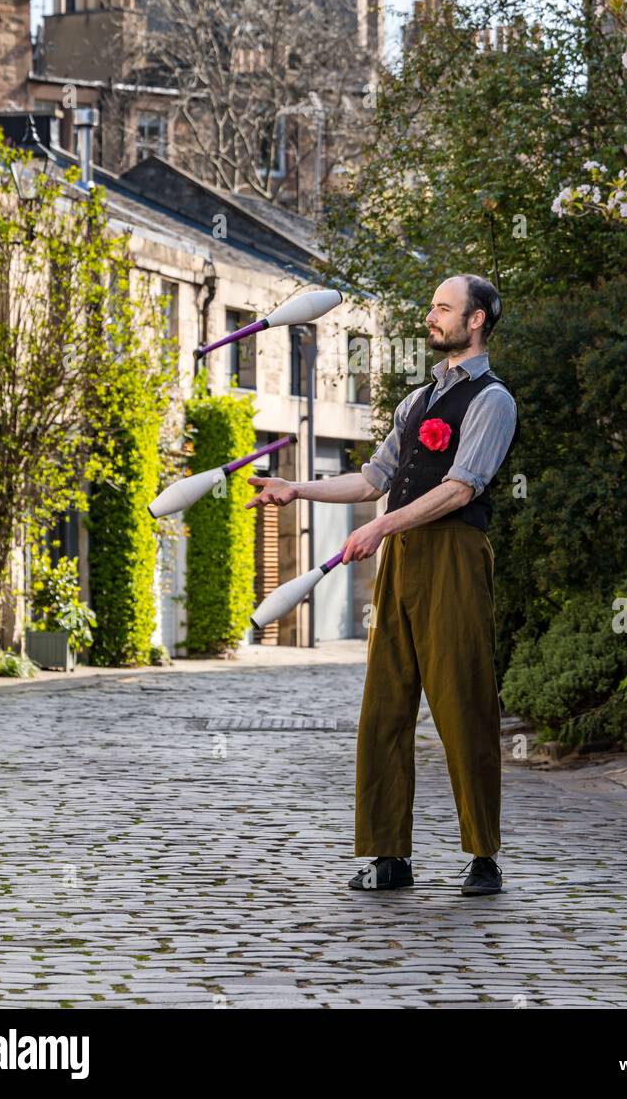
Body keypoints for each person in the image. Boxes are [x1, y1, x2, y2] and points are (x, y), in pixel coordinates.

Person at [245, 274, 518, 896]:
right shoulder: (416, 401)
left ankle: (482, 855)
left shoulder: (492, 400)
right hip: (401, 560)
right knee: (384, 709)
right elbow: (373, 480)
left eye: (444, 308)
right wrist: (298, 490)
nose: (432, 316)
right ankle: (388, 854)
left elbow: (461, 487)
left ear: (476, 321)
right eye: (432, 305)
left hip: (453, 555)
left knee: (462, 704)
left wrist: (381, 528)